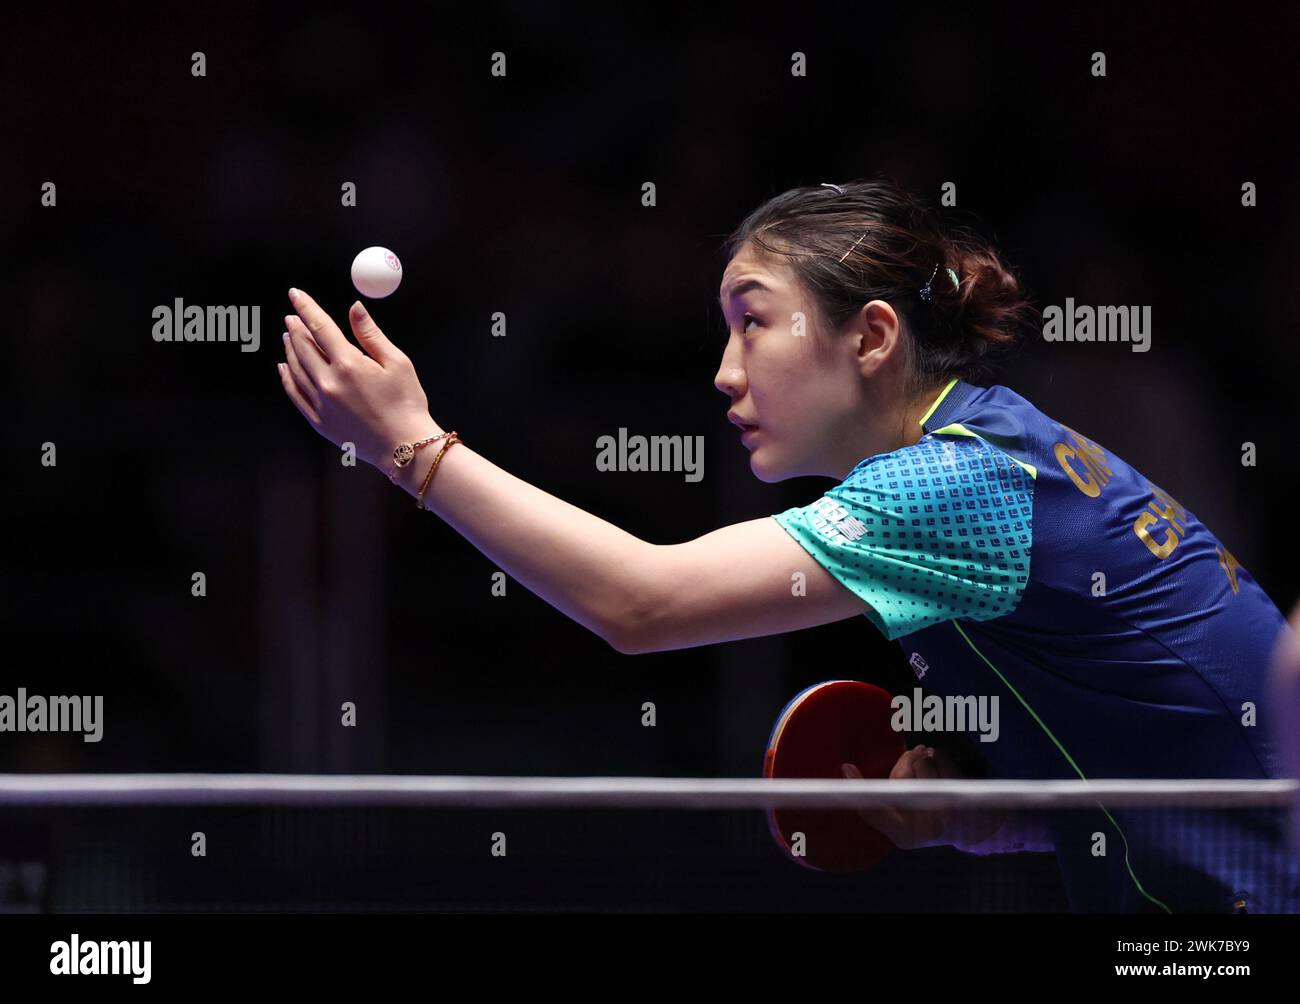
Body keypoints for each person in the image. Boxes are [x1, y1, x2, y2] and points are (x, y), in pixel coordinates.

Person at [276, 176, 1296, 913]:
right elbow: (1178, 741)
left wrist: (408, 446)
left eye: (752, 323)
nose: (722, 371)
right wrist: (993, 815)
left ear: (871, 337)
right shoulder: (997, 448)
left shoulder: (952, 484)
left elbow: (643, 603)